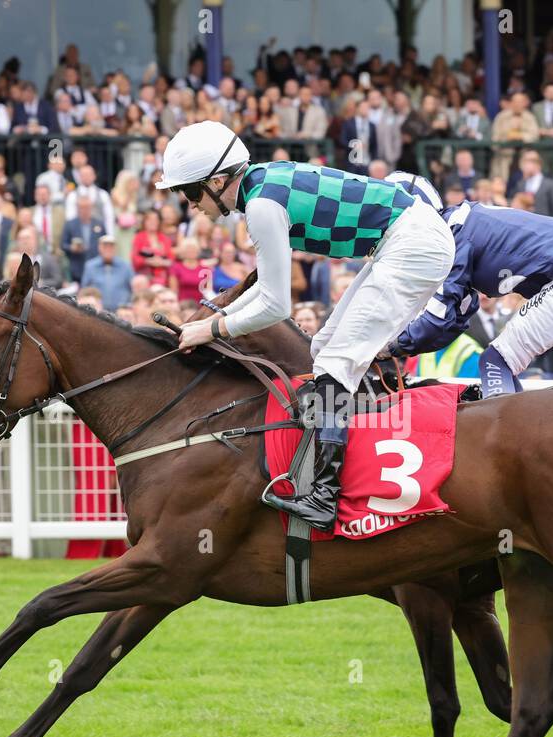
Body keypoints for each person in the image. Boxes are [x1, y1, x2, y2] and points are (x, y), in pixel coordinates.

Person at [165, 121, 455, 532]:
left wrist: (212, 331)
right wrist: (212, 321)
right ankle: (360, 444)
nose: (189, 203)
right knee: (323, 349)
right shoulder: (262, 186)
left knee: (336, 361)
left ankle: (324, 494)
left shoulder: (262, 205)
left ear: (216, 181)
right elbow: (267, 292)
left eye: (191, 191)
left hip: (412, 242)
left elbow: (275, 305)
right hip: (403, 239)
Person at [383, 197, 553, 401]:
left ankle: (510, 444)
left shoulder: (451, 234)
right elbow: (451, 322)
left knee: (496, 361)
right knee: (499, 360)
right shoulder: (460, 225)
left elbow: (438, 318)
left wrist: (386, 347)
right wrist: (400, 347)